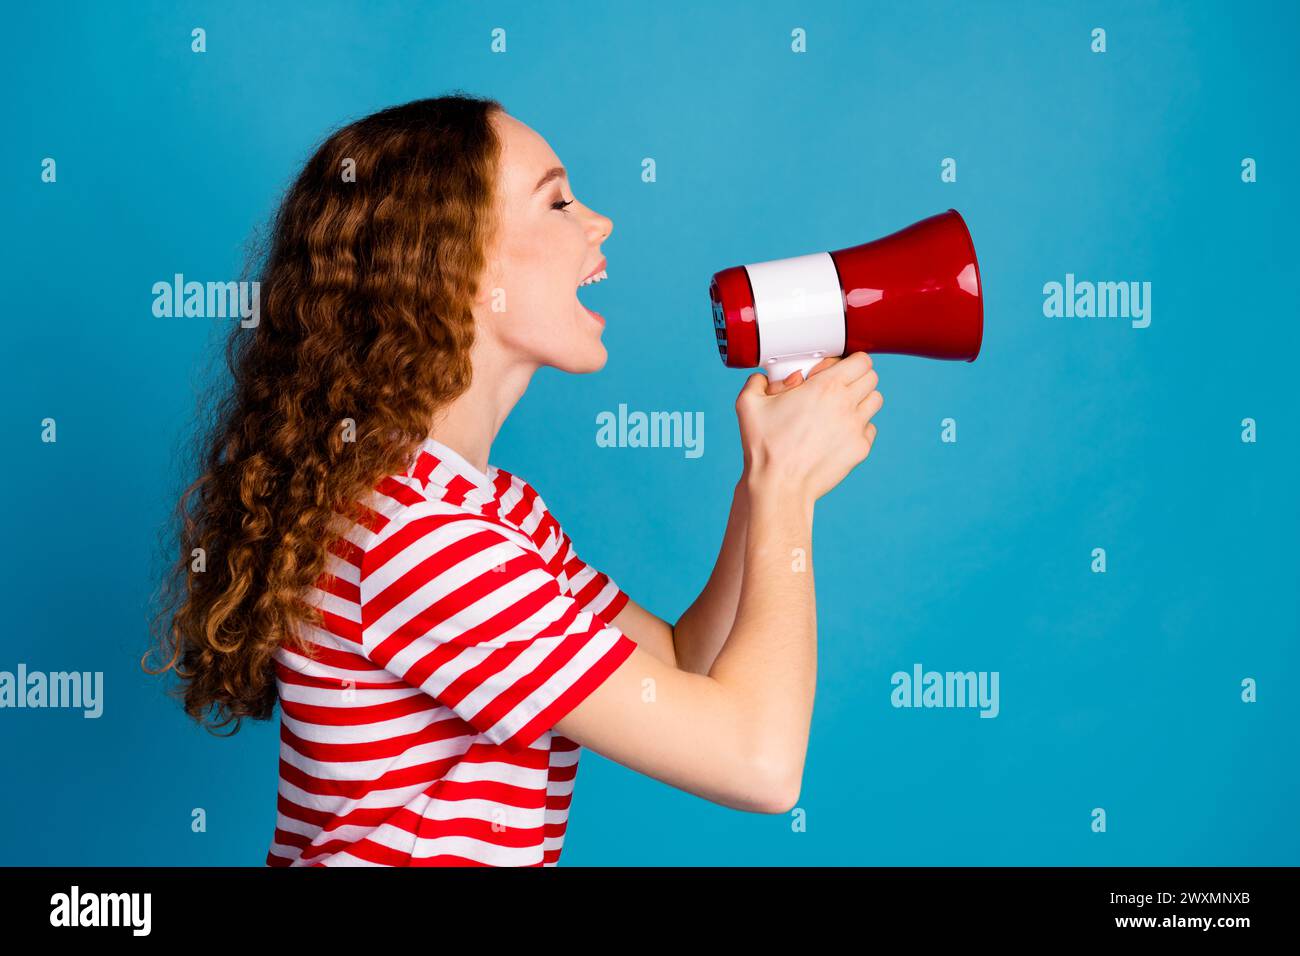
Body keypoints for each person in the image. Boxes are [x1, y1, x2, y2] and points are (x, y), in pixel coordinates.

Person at [145, 93, 883, 866]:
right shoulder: (421, 540)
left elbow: (682, 660)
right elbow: (758, 765)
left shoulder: (489, 512)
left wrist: (758, 490)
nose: (599, 223)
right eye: (559, 201)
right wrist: (787, 488)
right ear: (451, 261)